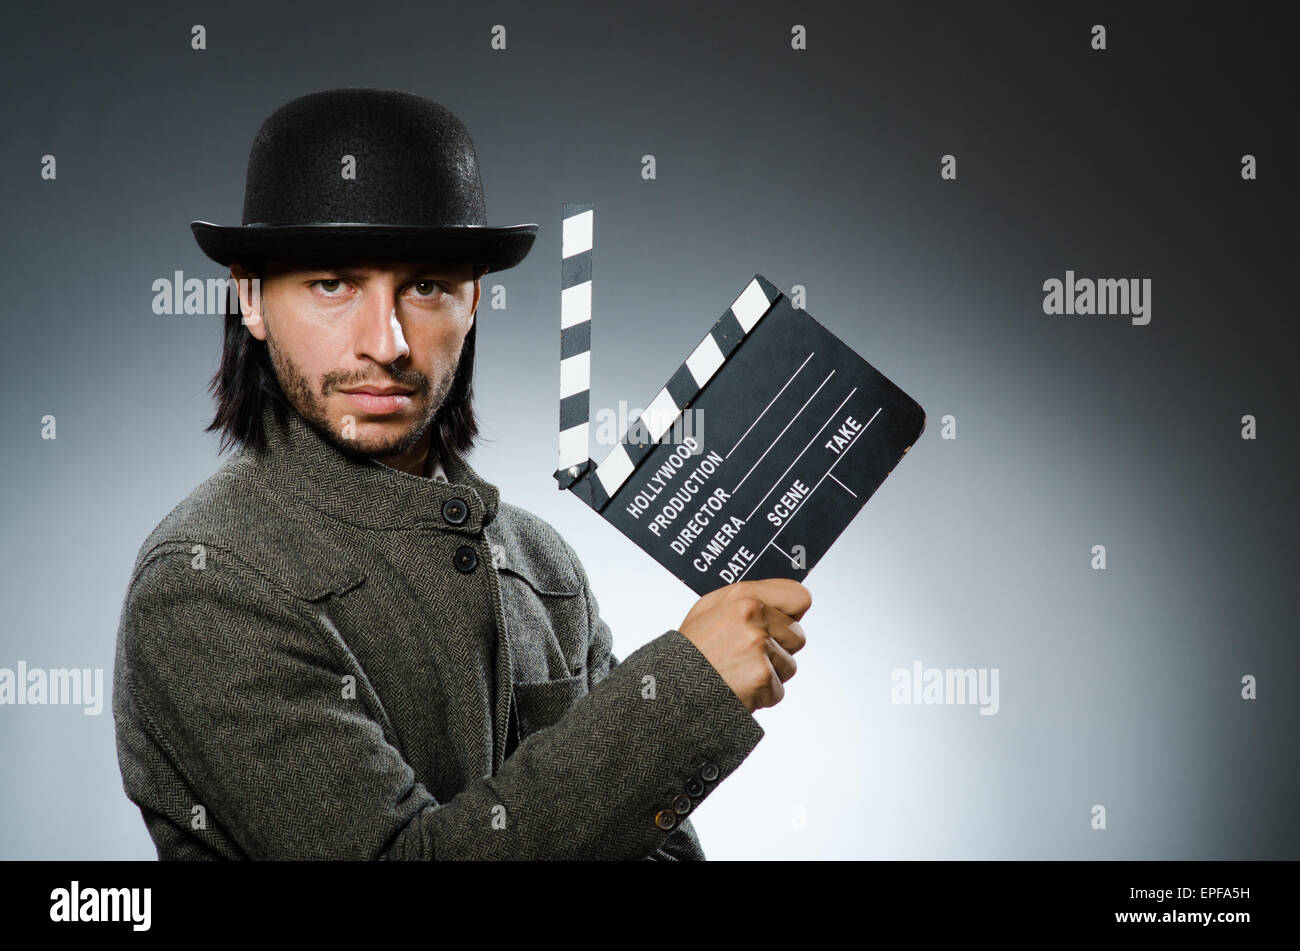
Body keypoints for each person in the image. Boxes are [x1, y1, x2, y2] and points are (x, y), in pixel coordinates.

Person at [112, 88, 809, 860]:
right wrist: (684, 696)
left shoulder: (543, 565)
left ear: (473, 299)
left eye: (427, 286)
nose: (387, 342)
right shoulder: (208, 581)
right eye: (332, 283)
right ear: (250, 295)